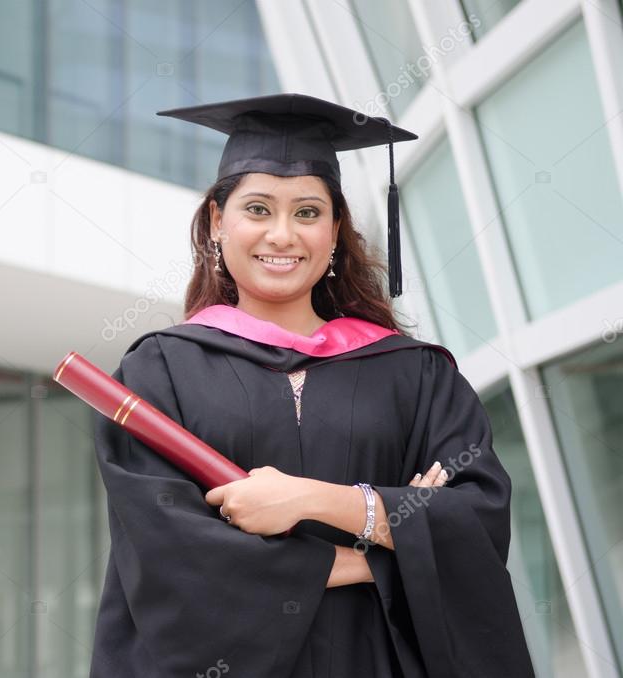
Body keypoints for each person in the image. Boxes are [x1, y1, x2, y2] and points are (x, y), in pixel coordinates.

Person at [88, 93, 536, 678]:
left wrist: (313, 500)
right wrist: (381, 548)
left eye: (307, 212)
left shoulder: (415, 373)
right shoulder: (160, 371)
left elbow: (475, 521)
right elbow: (169, 554)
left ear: (335, 230)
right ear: (218, 221)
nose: (282, 235)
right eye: (257, 209)